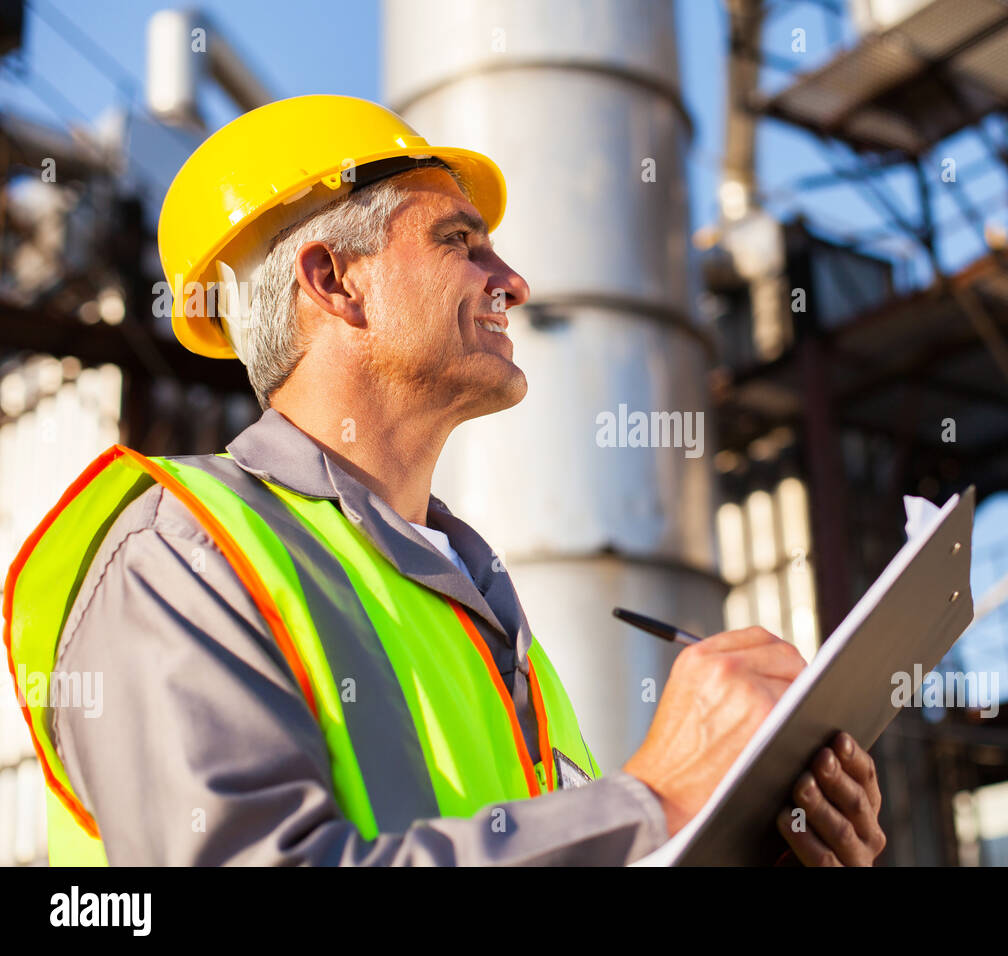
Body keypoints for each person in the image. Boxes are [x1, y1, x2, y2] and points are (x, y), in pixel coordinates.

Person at [5, 95, 886, 866]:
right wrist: (652, 803)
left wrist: (740, 839)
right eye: (461, 242)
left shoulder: (485, 619)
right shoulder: (181, 558)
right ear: (334, 282)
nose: (515, 281)